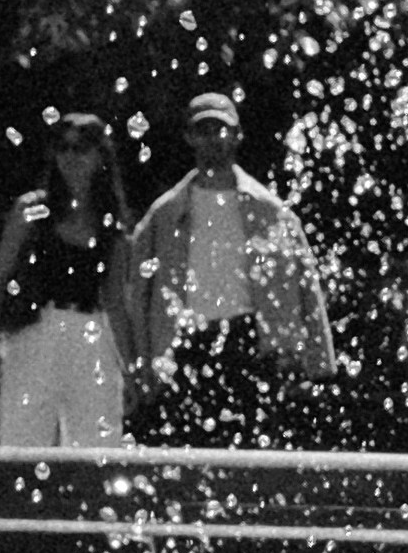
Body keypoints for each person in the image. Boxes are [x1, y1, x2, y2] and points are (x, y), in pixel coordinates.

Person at [126, 88, 336, 412]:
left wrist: (318, 361)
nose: (214, 138)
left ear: (238, 135)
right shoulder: (165, 214)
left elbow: (305, 281)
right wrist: (139, 361)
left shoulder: (269, 210)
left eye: (221, 129)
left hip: (250, 338)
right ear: (189, 137)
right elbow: (136, 292)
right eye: (203, 130)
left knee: (252, 451)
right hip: (183, 341)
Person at [0, 112, 135, 450]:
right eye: (63, 148)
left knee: (97, 444)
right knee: (23, 442)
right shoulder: (32, 210)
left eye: (82, 148)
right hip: (35, 330)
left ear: (100, 156)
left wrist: (131, 367)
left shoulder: (111, 227)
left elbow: (116, 302)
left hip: (91, 335)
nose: (71, 157)